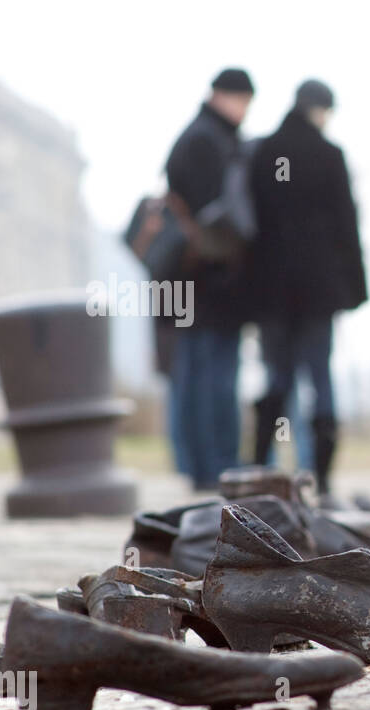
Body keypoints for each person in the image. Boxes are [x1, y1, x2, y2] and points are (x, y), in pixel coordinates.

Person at [248, 79, 368, 498]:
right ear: (320, 110)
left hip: (273, 290)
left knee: (277, 376)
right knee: (321, 375)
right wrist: (356, 288)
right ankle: (323, 476)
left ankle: (260, 469)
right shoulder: (329, 156)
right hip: (320, 289)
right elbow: (346, 226)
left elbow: (252, 227)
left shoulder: (263, 152)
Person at [164, 67, 255, 490]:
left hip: (189, 281)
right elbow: (217, 215)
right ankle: (214, 465)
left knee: (194, 371)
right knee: (210, 372)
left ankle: (200, 463)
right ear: (226, 96)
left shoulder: (200, 135)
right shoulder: (208, 140)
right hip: (207, 280)